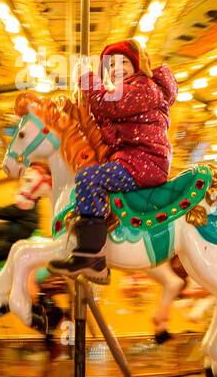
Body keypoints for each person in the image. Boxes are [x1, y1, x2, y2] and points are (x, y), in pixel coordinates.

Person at [51, 37, 177, 281]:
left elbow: (108, 106)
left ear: (138, 65)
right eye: (110, 65)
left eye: (123, 62)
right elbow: (104, 119)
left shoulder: (143, 88)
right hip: (130, 158)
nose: (116, 68)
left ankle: (92, 257)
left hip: (143, 161)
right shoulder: (127, 91)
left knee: (89, 177)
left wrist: (87, 79)